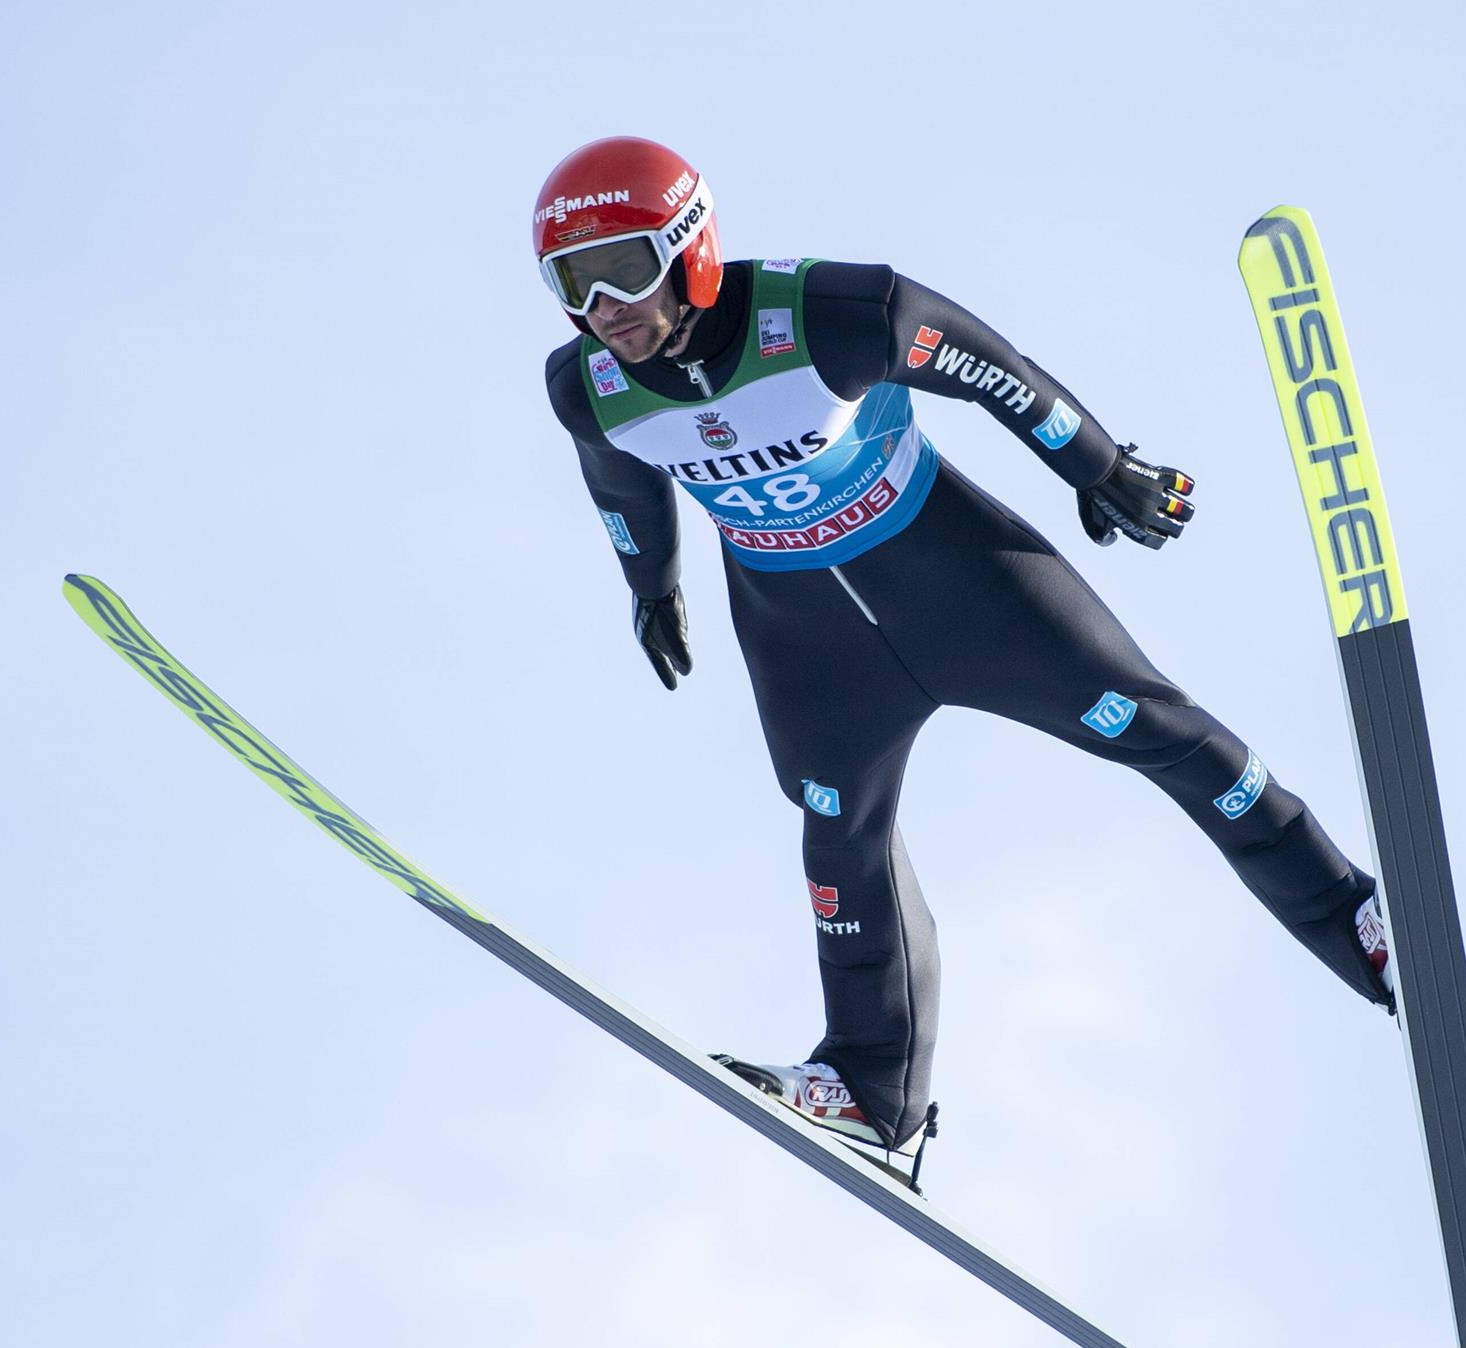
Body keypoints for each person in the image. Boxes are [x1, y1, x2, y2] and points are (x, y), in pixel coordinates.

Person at [535, 136, 1392, 1180]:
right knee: (835, 841)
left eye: (623, 266)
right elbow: (623, 488)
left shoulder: (827, 314)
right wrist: (651, 591)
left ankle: (1355, 917)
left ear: (689, 248)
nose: (603, 306)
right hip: (807, 644)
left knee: (1158, 730)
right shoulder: (588, 385)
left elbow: (993, 368)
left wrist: (1102, 465)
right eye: (572, 284)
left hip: (961, 585)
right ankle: (871, 1090)